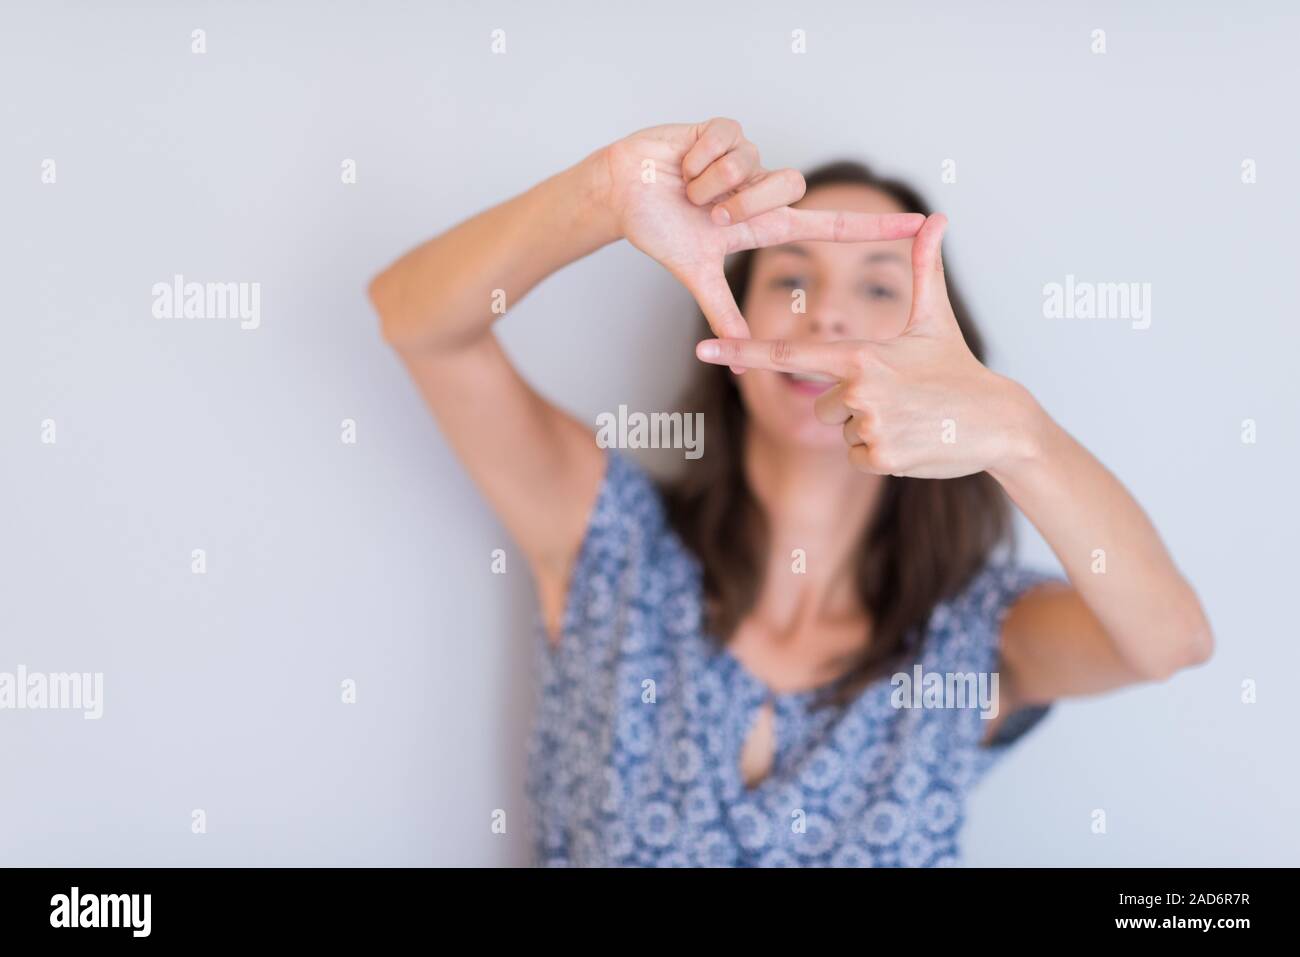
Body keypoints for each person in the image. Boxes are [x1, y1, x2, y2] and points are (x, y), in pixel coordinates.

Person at [367, 118, 1213, 866]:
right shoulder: (613, 544)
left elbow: (1170, 640)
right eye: (791, 279)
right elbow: (416, 321)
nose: (827, 319)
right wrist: (603, 193)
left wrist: (1018, 431)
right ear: (725, 319)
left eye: (881, 287)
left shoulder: (976, 640)